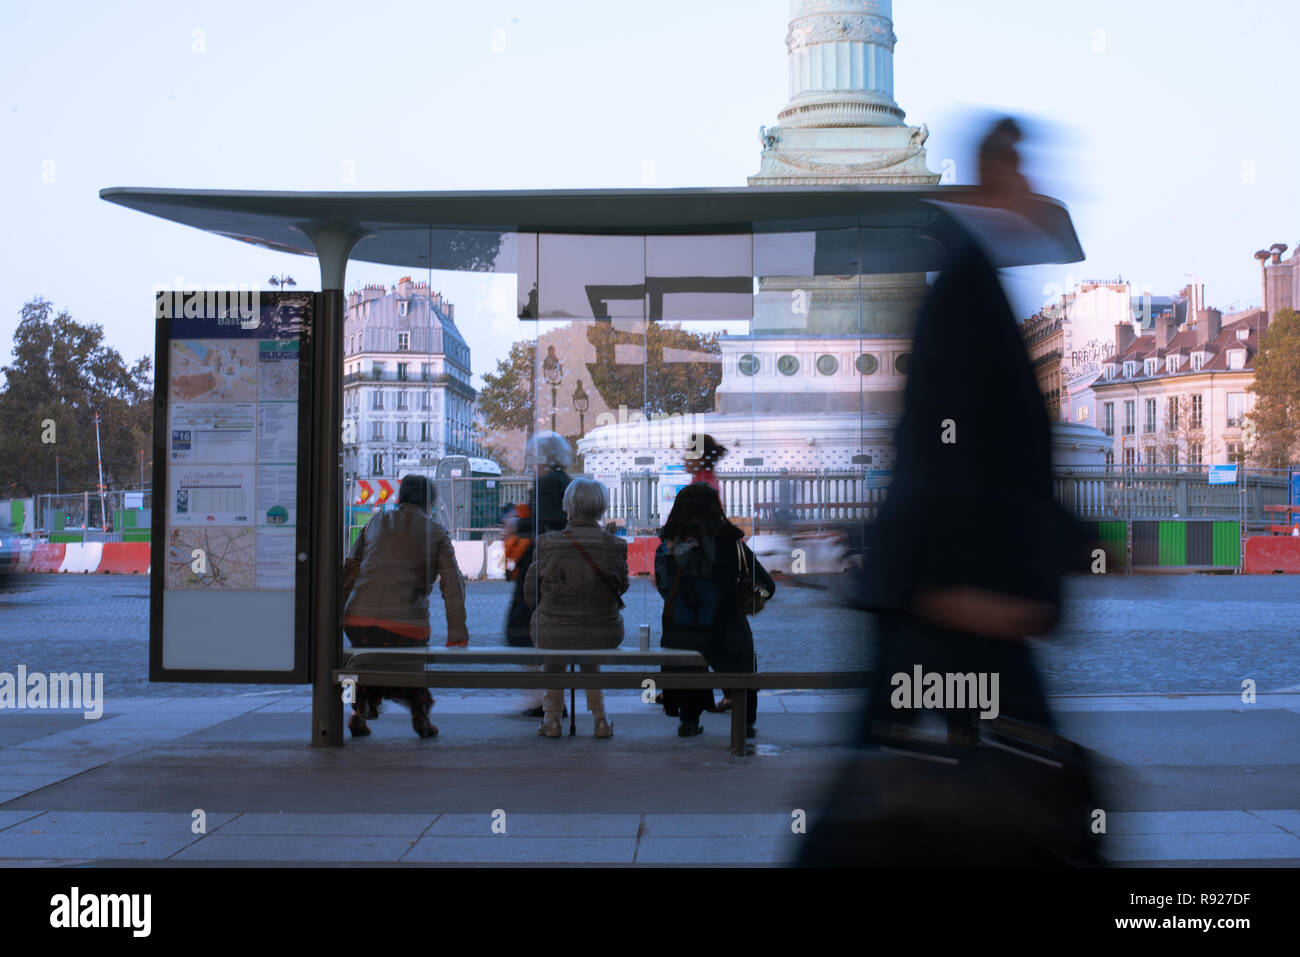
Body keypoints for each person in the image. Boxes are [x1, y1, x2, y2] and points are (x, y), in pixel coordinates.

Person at [342, 474, 468, 739]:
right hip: (404, 625)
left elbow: (352, 566)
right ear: (430, 502)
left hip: (357, 621)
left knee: (361, 666)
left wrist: (336, 615)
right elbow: (453, 584)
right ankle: (420, 716)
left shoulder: (375, 521)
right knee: (410, 669)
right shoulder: (435, 532)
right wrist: (457, 631)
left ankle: (357, 712)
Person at [655, 484, 774, 737]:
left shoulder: (666, 547)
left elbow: (665, 588)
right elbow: (768, 585)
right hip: (725, 626)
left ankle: (688, 720)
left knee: (688, 662)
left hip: (681, 628)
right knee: (742, 660)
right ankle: (745, 723)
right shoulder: (731, 542)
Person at [524, 477, 627, 739]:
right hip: (603, 630)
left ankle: (552, 720)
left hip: (553, 629)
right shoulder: (615, 545)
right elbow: (622, 586)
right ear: (601, 508)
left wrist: (549, 609)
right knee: (589, 657)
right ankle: (600, 720)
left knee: (554, 657)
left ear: (568, 506)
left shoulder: (547, 543)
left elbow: (530, 590)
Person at [505, 431, 573, 717]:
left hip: (538, 567)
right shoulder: (564, 482)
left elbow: (543, 525)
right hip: (557, 567)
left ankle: (542, 698)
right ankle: (549, 697)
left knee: (521, 628)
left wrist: (514, 525)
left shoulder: (547, 484)